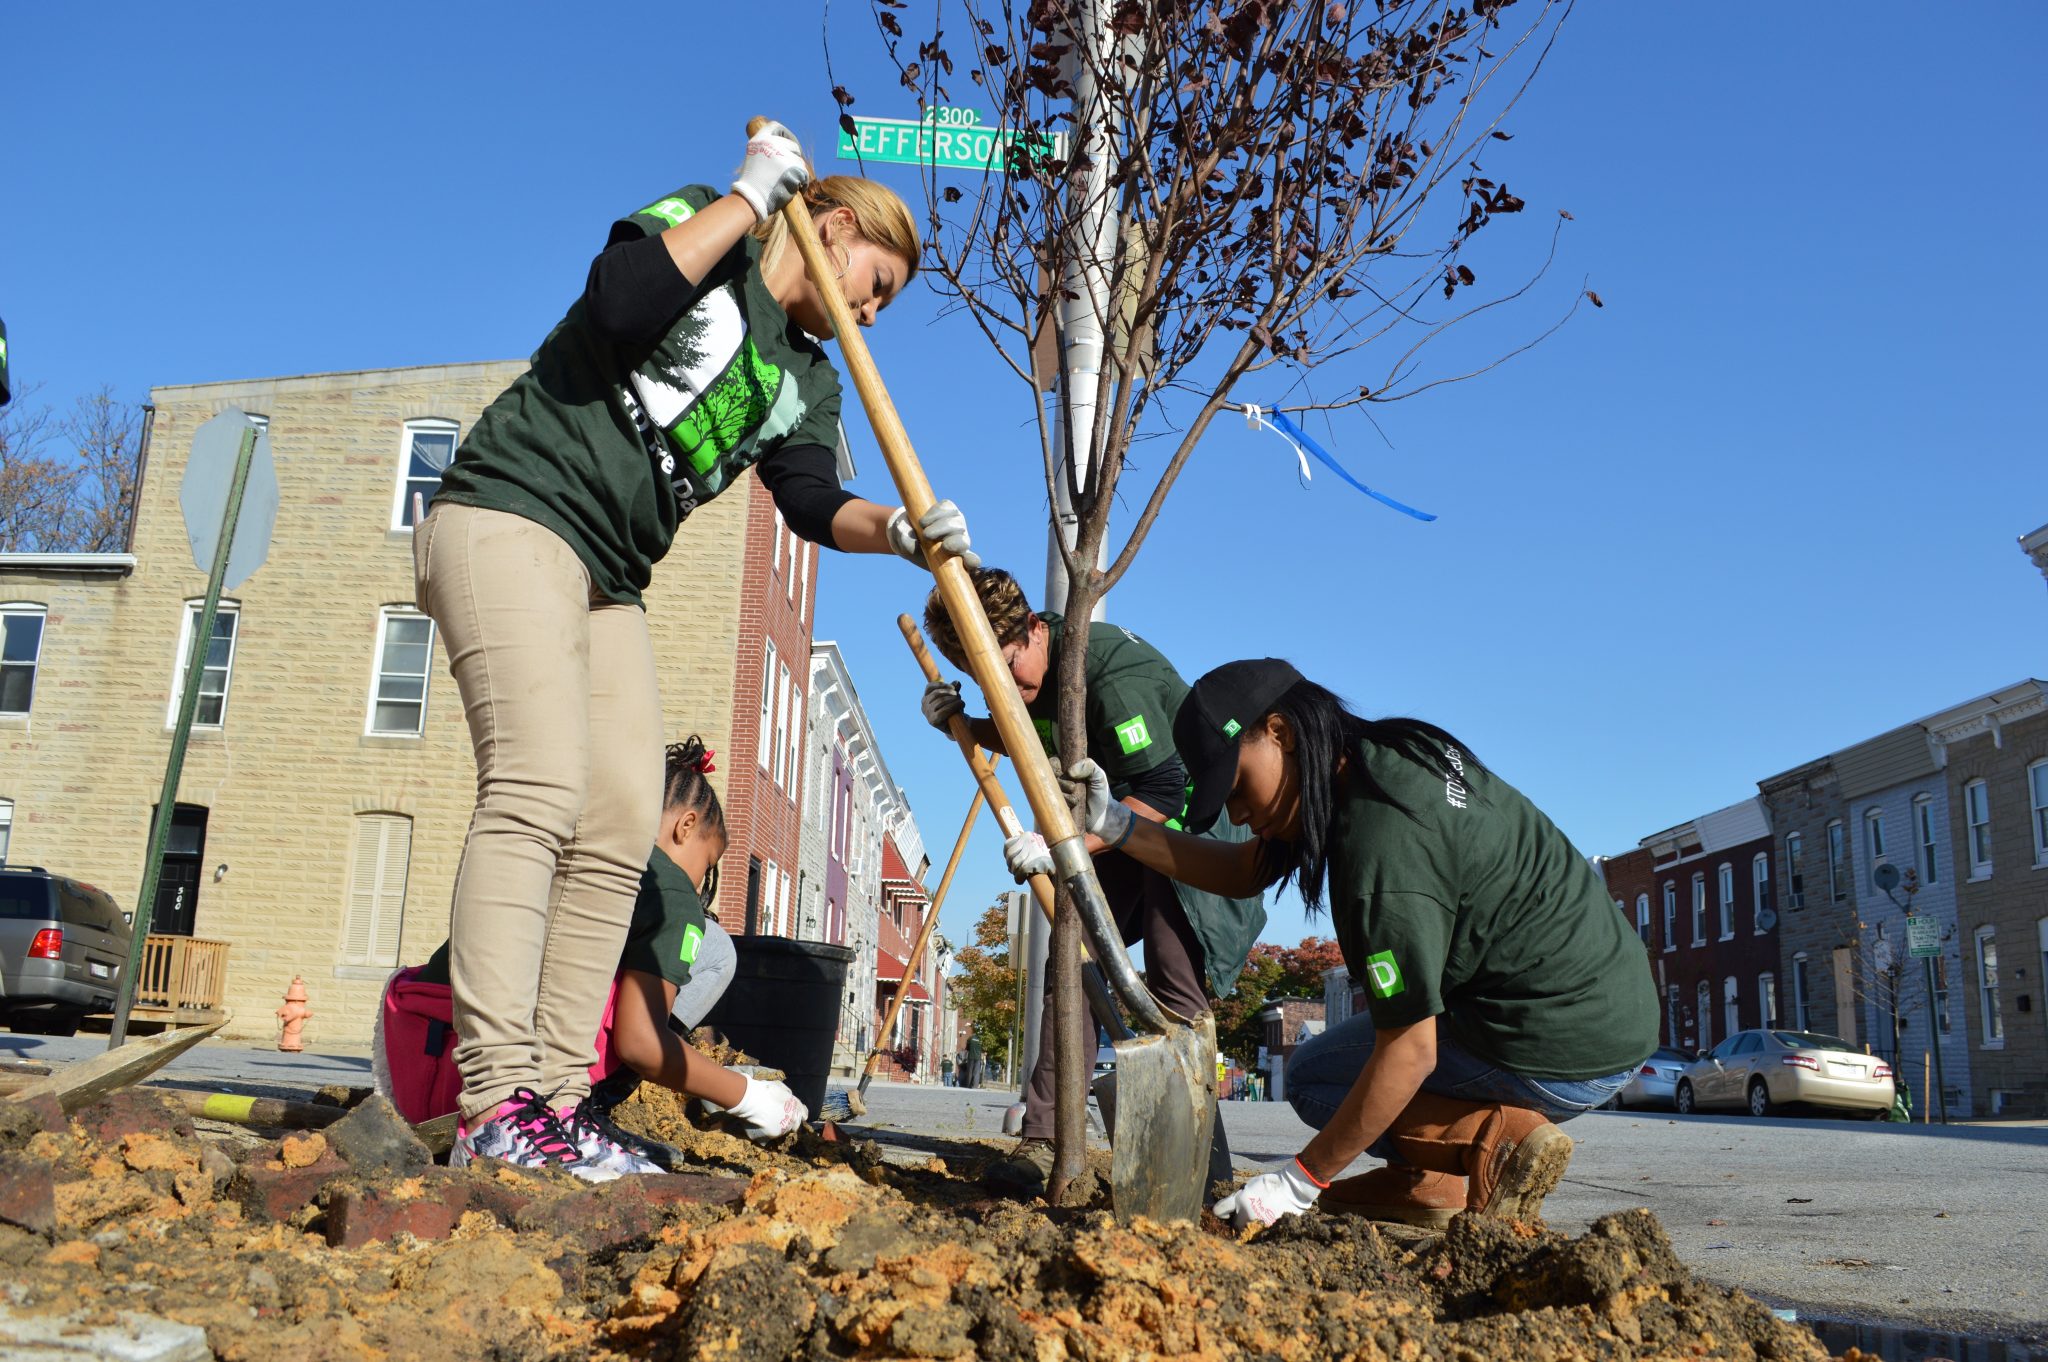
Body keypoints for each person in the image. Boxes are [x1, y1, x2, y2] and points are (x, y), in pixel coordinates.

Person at [416, 121, 977, 1178]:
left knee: (623, 816)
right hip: (512, 509)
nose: (869, 311)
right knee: (536, 787)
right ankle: (492, 1102)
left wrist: (899, 533)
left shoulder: (808, 380)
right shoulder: (703, 227)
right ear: (834, 227)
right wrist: (752, 191)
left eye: (882, 304)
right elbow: (618, 303)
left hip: (608, 572)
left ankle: (552, 1101)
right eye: (874, 283)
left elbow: (811, 501)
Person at [1019, 659, 1658, 1228]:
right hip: (1599, 1004)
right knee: (1335, 1070)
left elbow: (1410, 1050)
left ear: (1281, 732)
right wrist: (1118, 825)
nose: (1237, 813)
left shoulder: (1382, 852)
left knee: (1318, 1080)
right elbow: (1243, 872)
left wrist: (1300, 1181)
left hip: (1568, 1043)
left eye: (1237, 787)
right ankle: (1429, 1182)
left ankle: (1496, 1140)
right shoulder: (1373, 761)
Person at [921, 568, 1267, 1198]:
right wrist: (964, 722)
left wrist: (1065, 849)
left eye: (1006, 666)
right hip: (1128, 825)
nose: (1005, 686)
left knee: (1171, 976)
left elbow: (1164, 790)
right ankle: (1047, 1139)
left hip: (1194, 830)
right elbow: (1028, 729)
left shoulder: (1107, 672)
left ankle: (1195, 1174)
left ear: (1033, 628)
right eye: (983, 677)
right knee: (1070, 951)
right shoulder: (1027, 675)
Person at [378, 739, 806, 1178]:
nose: (701, 886)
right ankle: (580, 1109)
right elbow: (640, 1043)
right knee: (715, 947)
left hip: (421, 1058)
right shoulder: (671, 892)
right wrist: (747, 1096)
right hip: (502, 1099)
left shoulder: (577, 846)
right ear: (685, 825)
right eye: (708, 865)